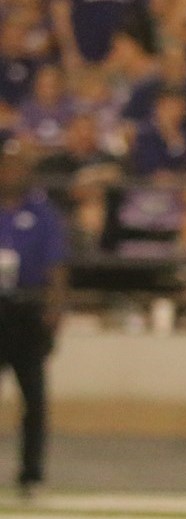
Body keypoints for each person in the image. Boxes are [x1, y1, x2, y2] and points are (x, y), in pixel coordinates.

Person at [0, 142, 66, 499]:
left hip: (26, 310)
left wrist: (54, 309)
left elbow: (56, 267)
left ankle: (31, 474)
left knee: (34, 399)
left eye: (20, 167)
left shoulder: (42, 213)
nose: (14, 174)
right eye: (8, 167)